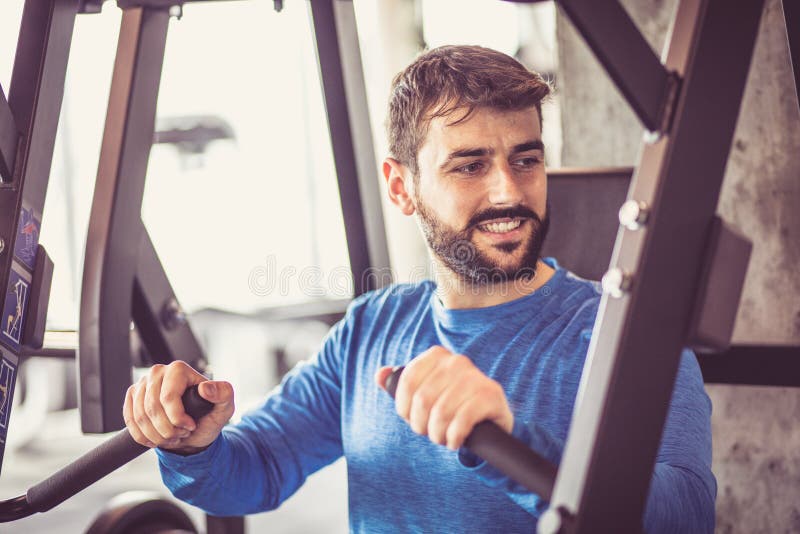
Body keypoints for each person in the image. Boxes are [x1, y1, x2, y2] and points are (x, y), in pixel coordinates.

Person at [123, 45, 716, 533]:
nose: (508, 191)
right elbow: (254, 469)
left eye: (526, 159)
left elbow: (686, 517)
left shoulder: (628, 338)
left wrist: (514, 445)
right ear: (402, 188)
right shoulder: (371, 329)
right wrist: (193, 446)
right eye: (470, 165)